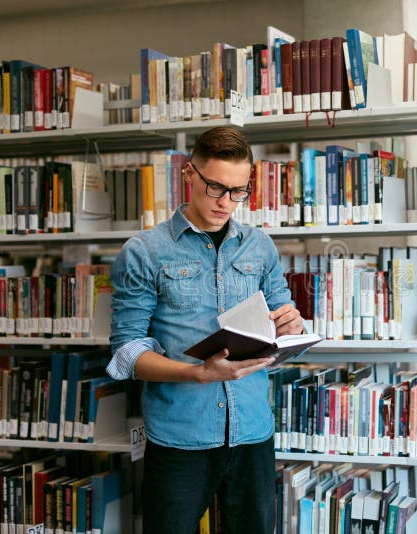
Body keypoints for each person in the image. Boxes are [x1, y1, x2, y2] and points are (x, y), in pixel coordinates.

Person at [106, 126, 304, 534]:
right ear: (189, 174)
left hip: (252, 431)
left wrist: (293, 324)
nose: (226, 203)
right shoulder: (144, 252)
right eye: (215, 187)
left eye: (238, 191)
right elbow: (127, 354)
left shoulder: (260, 246)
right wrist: (198, 373)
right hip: (181, 436)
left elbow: (284, 324)